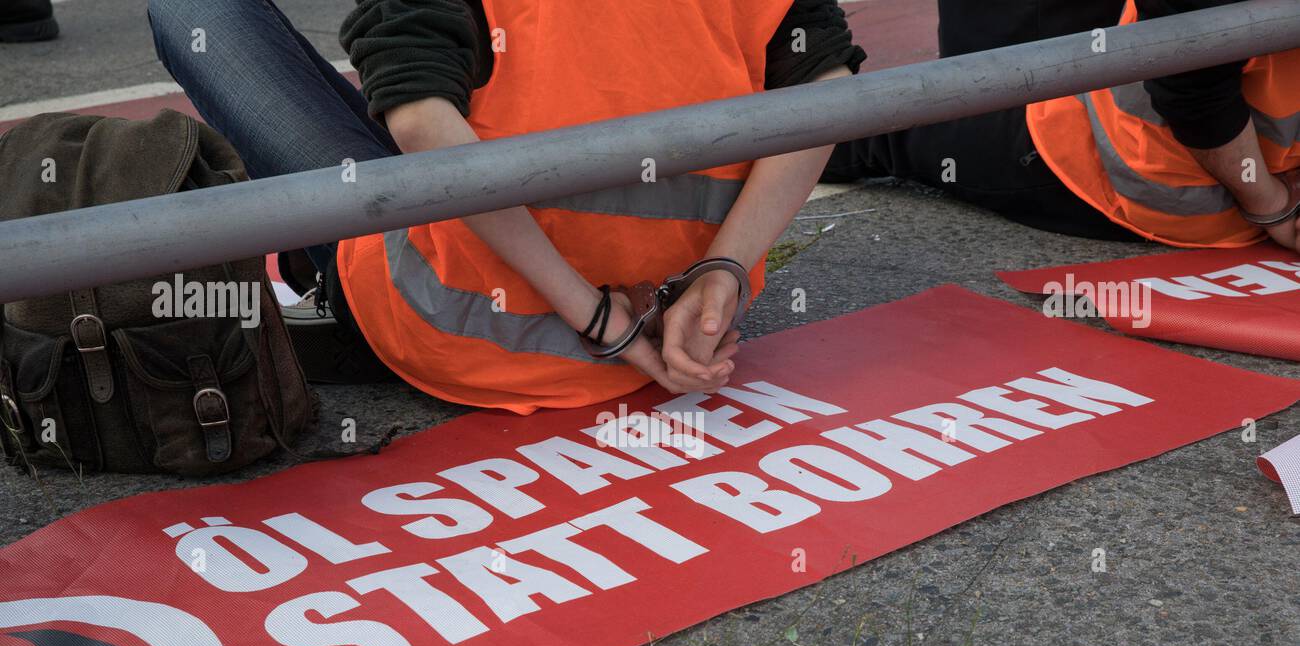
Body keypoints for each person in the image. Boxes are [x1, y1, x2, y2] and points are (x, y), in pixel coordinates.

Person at [148, 0, 865, 411]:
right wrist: (722, 274)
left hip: (454, 324)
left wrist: (593, 316)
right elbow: (830, 82)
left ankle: (323, 271)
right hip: (687, 320)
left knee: (197, 9)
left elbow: (422, 121)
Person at [825, 0, 1300, 252]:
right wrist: (1273, 206)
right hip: (1157, 163)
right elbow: (1193, 83)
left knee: (893, 127)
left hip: (1161, 173)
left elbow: (1194, 85)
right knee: (897, 123)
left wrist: (1272, 206)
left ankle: (781, 131)